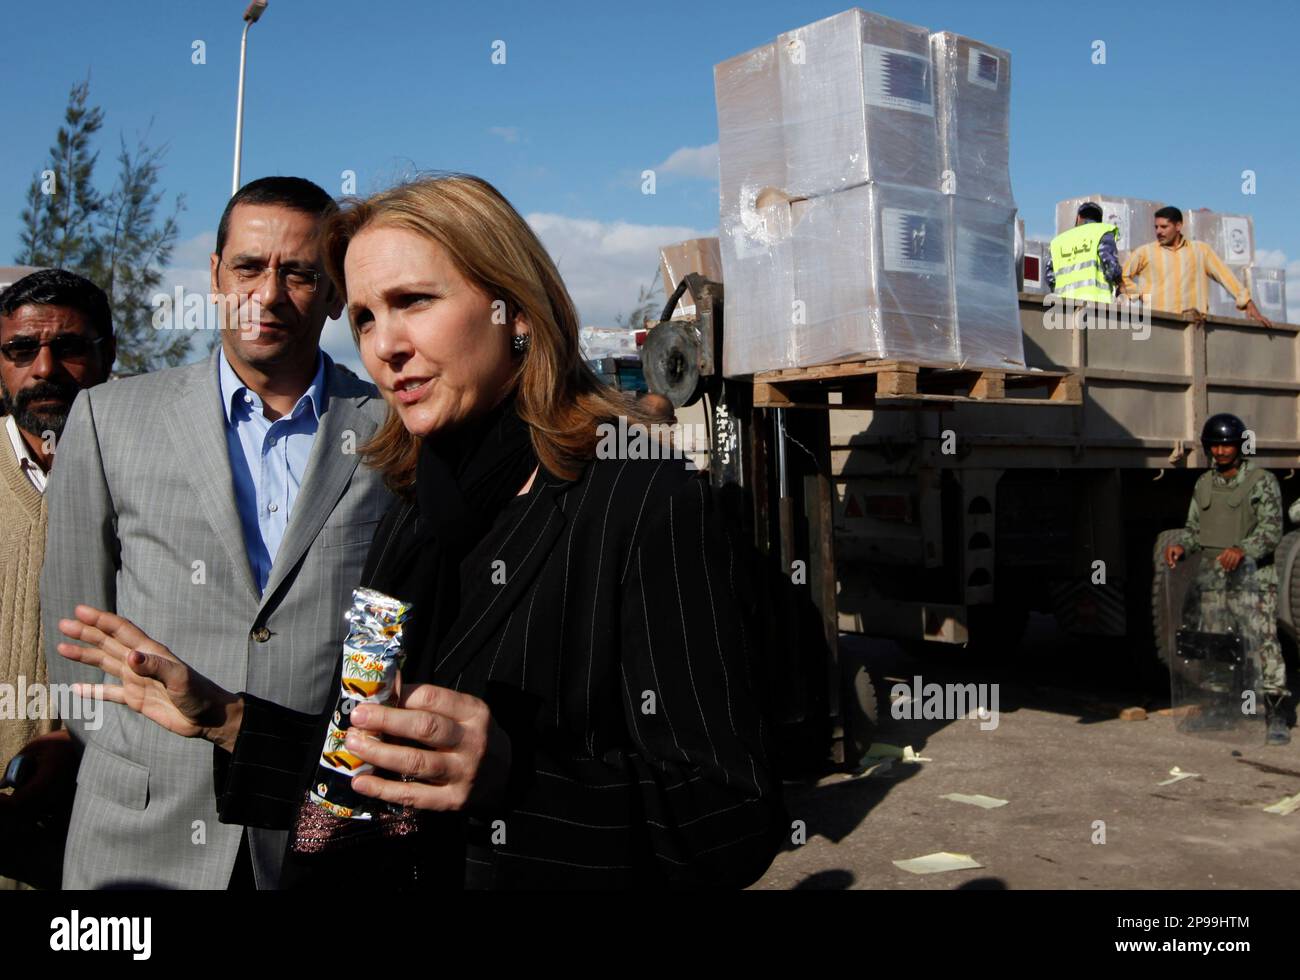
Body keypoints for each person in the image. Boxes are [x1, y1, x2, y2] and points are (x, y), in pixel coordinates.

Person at [58, 173, 787, 889]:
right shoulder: (411, 504)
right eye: (368, 317)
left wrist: (514, 779)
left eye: (413, 302)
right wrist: (224, 716)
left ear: (518, 312)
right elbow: (363, 757)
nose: (385, 346)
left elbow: (731, 816)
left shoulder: (642, 500)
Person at [42, 176, 394, 889]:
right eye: (248, 267)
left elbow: (381, 649)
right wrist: (144, 760)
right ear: (213, 275)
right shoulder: (110, 420)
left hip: (314, 843)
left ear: (333, 294)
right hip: (139, 839)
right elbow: (73, 639)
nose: (267, 295)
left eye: (298, 273)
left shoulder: (392, 435)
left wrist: (334, 782)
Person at [0, 269, 116, 889]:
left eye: (69, 347)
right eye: (21, 350)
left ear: (109, 354)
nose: (43, 368)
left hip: (113, 825)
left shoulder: (157, 476)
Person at [1163, 413, 1289, 744]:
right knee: (1216, 644)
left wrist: (1242, 549)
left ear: (1239, 445)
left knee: (1262, 642)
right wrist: (1181, 546)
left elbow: (1272, 530)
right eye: (1215, 446)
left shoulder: (1261, 481)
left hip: (1253, 581)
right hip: (1213, 581)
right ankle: (1220, 707)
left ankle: (1276, 713)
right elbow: (1195, 530)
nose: (1220, 452)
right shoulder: (1204, 484)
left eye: (1226, 444)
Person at [1124, 206, 1272, 325]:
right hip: (1159, 324)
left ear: (1178, 226)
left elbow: (1226, 276)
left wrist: (1247, 303)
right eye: (1156, 227)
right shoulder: (1145, 252)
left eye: (1164, 227)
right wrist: (1139, 294)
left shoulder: (1200, 251)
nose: (1158, 232)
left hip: (1195, 325)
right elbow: (1123, 276)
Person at [1045, 202, 1122, 300]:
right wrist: (1119, 283)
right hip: (1096, 306)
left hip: (1064, 306)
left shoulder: (1058, 242)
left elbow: (1049, 277)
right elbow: (1112, 268)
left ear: (1078, 217)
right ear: (1099, 220)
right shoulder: (1102, 232)